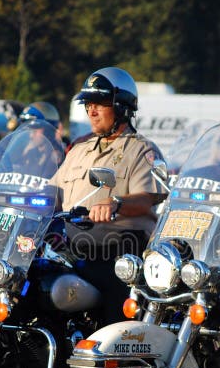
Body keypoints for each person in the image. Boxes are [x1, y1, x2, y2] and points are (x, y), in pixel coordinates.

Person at [50, 66, 166, 321]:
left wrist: (116, 203)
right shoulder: (79, 149)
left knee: (115, 324)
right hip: (72, 254)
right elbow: (52, 194)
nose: (91, 111)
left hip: (119, 257)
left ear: (122, 106)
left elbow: (146, 200)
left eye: (100, 103)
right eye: (88, 104)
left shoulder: (142, 150)